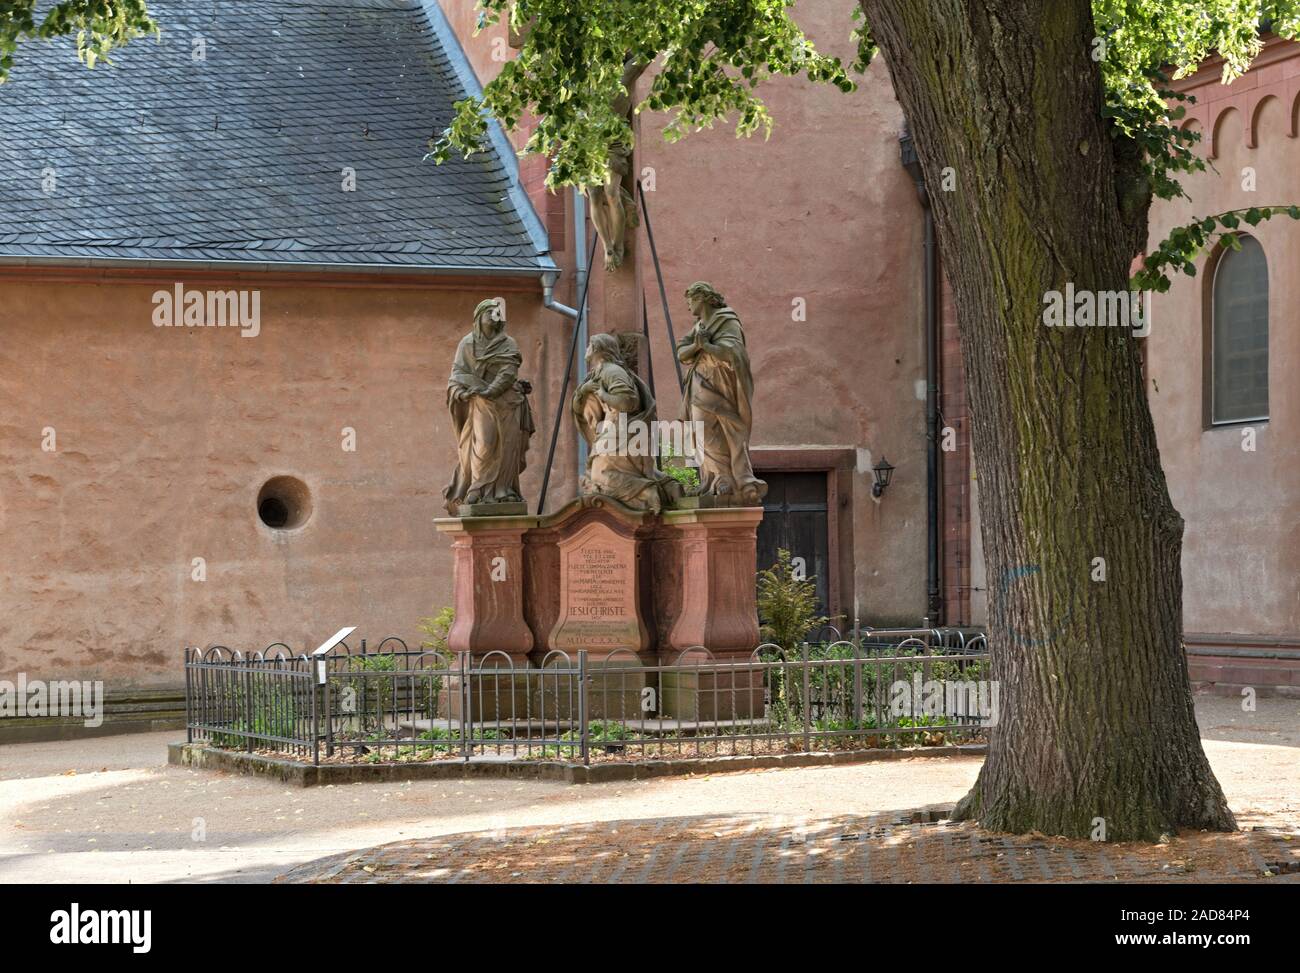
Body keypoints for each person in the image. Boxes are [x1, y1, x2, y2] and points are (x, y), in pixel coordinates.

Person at [675, 282, 766, 505]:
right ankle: (713, 477)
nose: (688, 307)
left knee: (726, 428)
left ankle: (729, 479)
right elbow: (681, 353)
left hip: (721, 382)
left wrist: (706, 346)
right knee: (702, 431)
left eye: (690, 301)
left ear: (702, 299)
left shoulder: (726, 320)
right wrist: (698, 346)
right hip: (699, 384)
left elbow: (734, 353)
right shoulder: (699, 326)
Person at [443, 298, 534, 514]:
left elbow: (508, 372)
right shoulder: (467, 344)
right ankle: (478, 488)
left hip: (509, 402)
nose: (495, 317)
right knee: (484, 443)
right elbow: (458, 375)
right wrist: (462, 392)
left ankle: (503, 491)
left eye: (498, 314)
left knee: (509, 447)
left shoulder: (508, 343)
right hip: (481, 403)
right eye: (490, 313)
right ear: (479, 316)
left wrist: (490, 390)